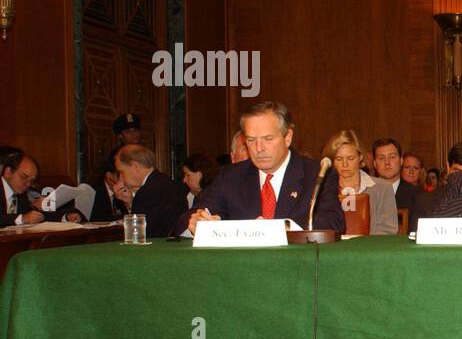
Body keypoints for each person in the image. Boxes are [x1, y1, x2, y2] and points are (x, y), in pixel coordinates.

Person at [185, 101, 344, 234]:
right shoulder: (230, 176)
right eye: (251, 140)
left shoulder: (317, 174)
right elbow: (188, 217)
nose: (259, 148)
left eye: (268, 139)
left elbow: (333, 223)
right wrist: (197, 221)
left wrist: (278, 229)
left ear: (287, 137)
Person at [325, 130, 398, 235]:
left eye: (351, 158)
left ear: (360, 157)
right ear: (331, 161)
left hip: (371, 248)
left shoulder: (383, 188)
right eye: (339, 159)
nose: (345, 164)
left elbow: (388, 230)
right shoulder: (322, 190)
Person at [114, 145, 188, 238]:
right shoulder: (171, 184)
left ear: (135, 166)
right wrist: (130, 202)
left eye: (121, 172)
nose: (121, 178)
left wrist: (131, 204)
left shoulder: (146, 192)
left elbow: (136, 235)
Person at [1, 151, 83, 225]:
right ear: (8, 172)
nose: (28, 184)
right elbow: (21, 218)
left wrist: (66, 218)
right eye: (24, 177)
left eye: (31, 181)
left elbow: (38, 216)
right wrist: (21, 219)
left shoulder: (21, 194)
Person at [372, 137, 420, 215]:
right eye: (381, 158)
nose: (387, 162)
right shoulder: (364, 194)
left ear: (401, 161)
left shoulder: (418, 196)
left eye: (392, 157)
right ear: (374, 163)